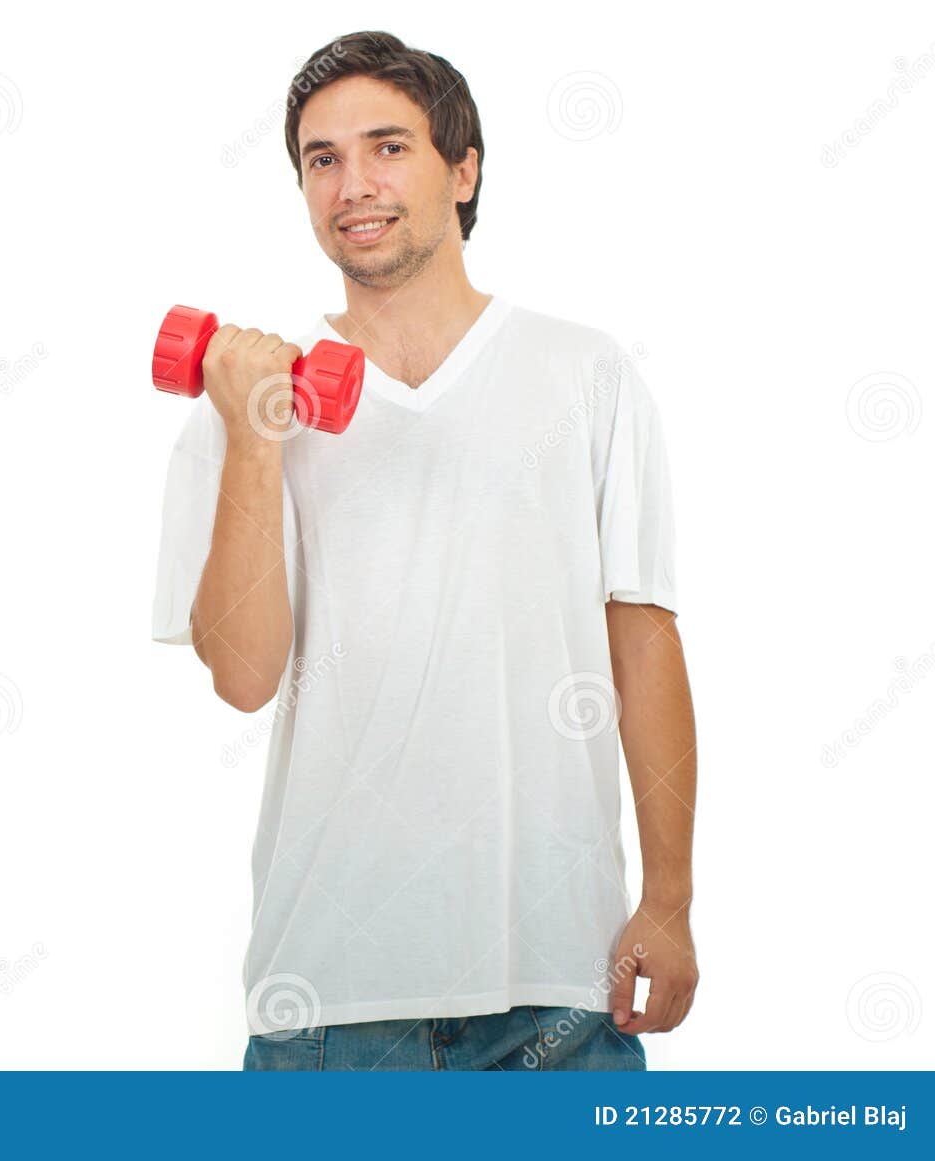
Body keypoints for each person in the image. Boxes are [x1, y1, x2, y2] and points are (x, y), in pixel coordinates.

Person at [151, 32, 697, 1070]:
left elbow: (643, 643)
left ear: (463, 169)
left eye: (387, 148)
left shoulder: (583, 374)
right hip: (328, 1002)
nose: (352, 184)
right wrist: (255, 442)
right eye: (321, 159)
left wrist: (666, 902)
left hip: (560, 986)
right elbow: (242, 676)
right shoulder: (239, 404)